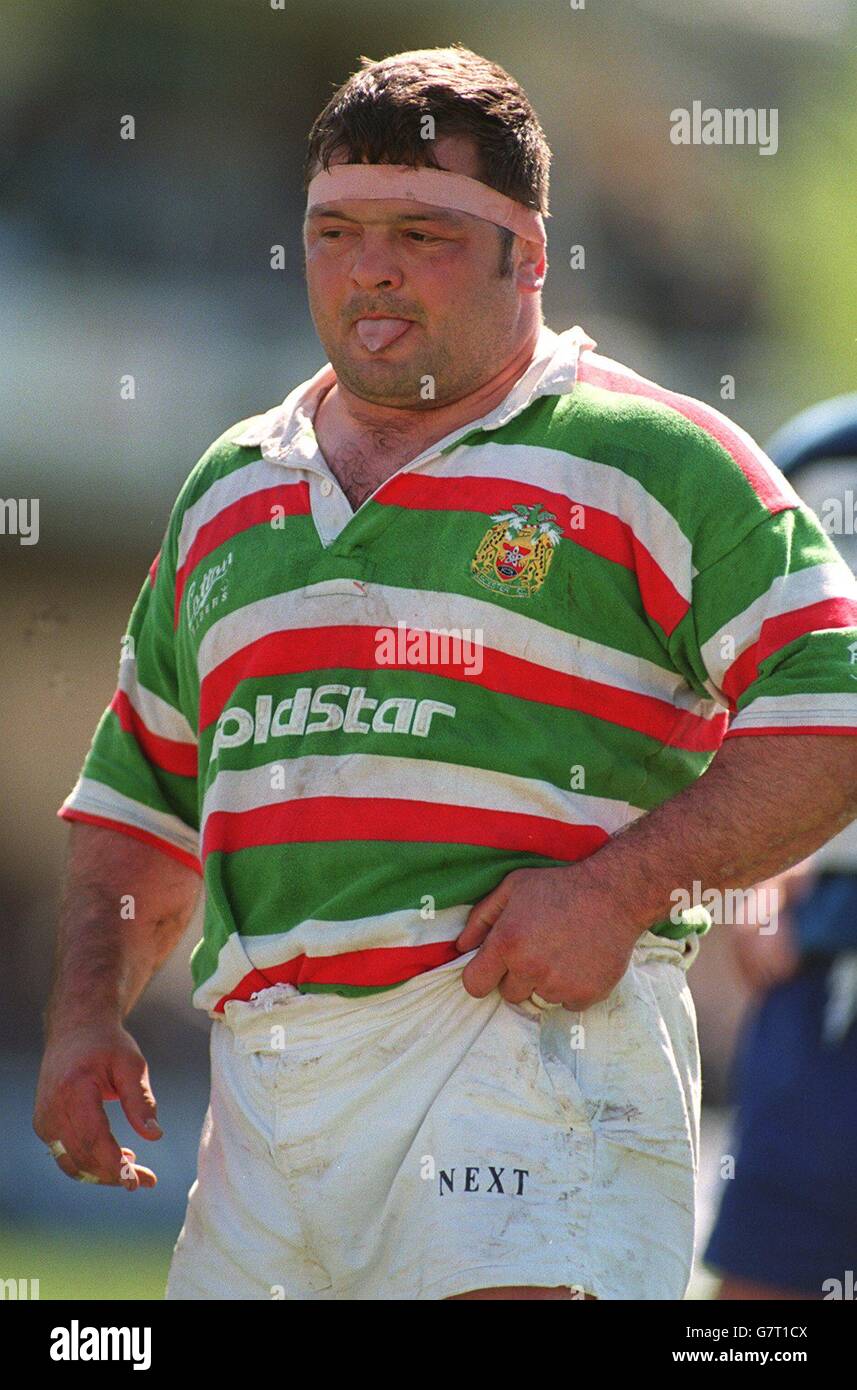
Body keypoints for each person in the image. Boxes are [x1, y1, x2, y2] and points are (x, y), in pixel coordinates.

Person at [35, 45, 857, 1301]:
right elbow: (142, 797)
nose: (368, 265)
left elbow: (830, 710)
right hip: (264, 1096)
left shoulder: (651, 456)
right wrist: (87, 1016)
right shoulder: (228, 489)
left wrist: (616, 891)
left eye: (420, 232)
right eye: (334, 231)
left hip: (523, 1052)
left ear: (526, 256)